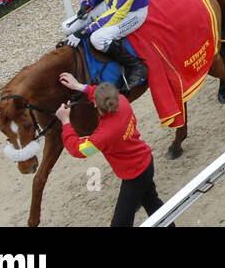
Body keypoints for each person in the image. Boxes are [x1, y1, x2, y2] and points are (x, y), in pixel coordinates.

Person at [56, 76, 165, 227]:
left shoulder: (104, 135)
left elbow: (78, 150)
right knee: (153, 204)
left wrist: (65, 122)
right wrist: (79, 86)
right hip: (146, 161)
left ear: (96, 106)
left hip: (134, 175)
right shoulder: (122, 100)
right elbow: (101, 93)